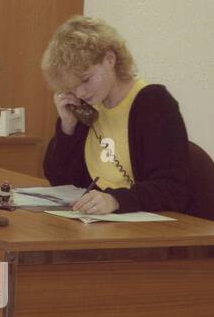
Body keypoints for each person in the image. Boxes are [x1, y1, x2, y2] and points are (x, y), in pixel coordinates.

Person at [40, 15, 192, 215]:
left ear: (110, 59)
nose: (80, 93)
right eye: (72, 86)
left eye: (86, 80)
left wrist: (116, 200)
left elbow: (173, 189)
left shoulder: (153, 103)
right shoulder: (88, 107)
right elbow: (60, 181)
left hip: (148, 225)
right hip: (98, 224)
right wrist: (67, 126)